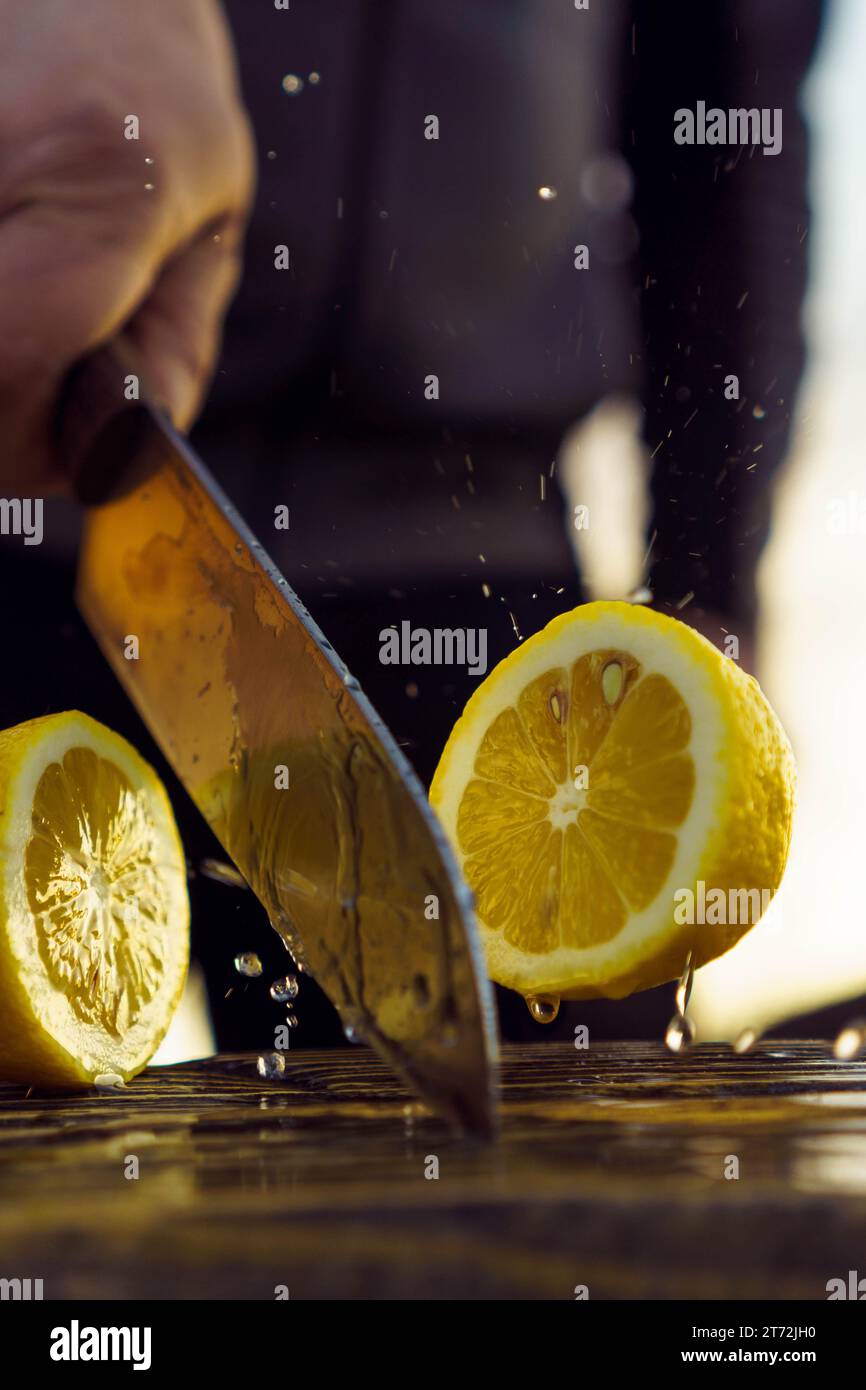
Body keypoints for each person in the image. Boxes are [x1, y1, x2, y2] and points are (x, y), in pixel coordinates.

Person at [0, 0, 826, 1044]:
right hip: (58, 498)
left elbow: (720, 144)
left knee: (549, 1158)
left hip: (469, 591)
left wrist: (708, 580)